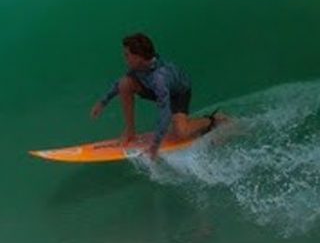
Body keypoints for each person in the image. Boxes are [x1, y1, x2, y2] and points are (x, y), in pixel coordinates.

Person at [90, 33, 228, 158]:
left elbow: (164, 114)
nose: (124, 58)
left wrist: (154, 147)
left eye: (127, 55)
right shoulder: (138, 66)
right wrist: (102, 102)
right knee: (125, 83)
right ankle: (130, 131)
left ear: (138, 57)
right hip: (151, 87)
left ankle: (213, 120)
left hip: (178, 93)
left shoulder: (160, 78)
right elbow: (119, 85)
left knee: (180, 133)